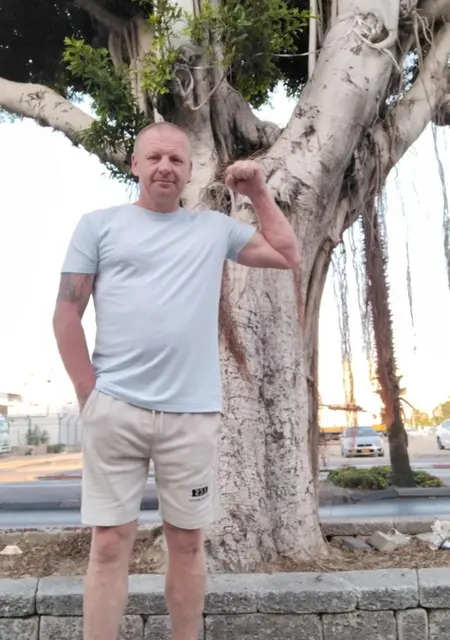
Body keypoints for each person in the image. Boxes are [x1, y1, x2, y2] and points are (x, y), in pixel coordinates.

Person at [52, 121, 300, 640]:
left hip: (191, 415)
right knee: (109, 545)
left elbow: (286, 253)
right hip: (114, 410)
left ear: (189, 171)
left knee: (187, 544)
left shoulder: (213, 229)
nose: (165, 167)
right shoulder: (98, 226)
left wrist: (257, 192)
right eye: (154, 157)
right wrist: (88, 394)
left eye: (176, 160)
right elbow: (67, 313)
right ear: (135, 164)